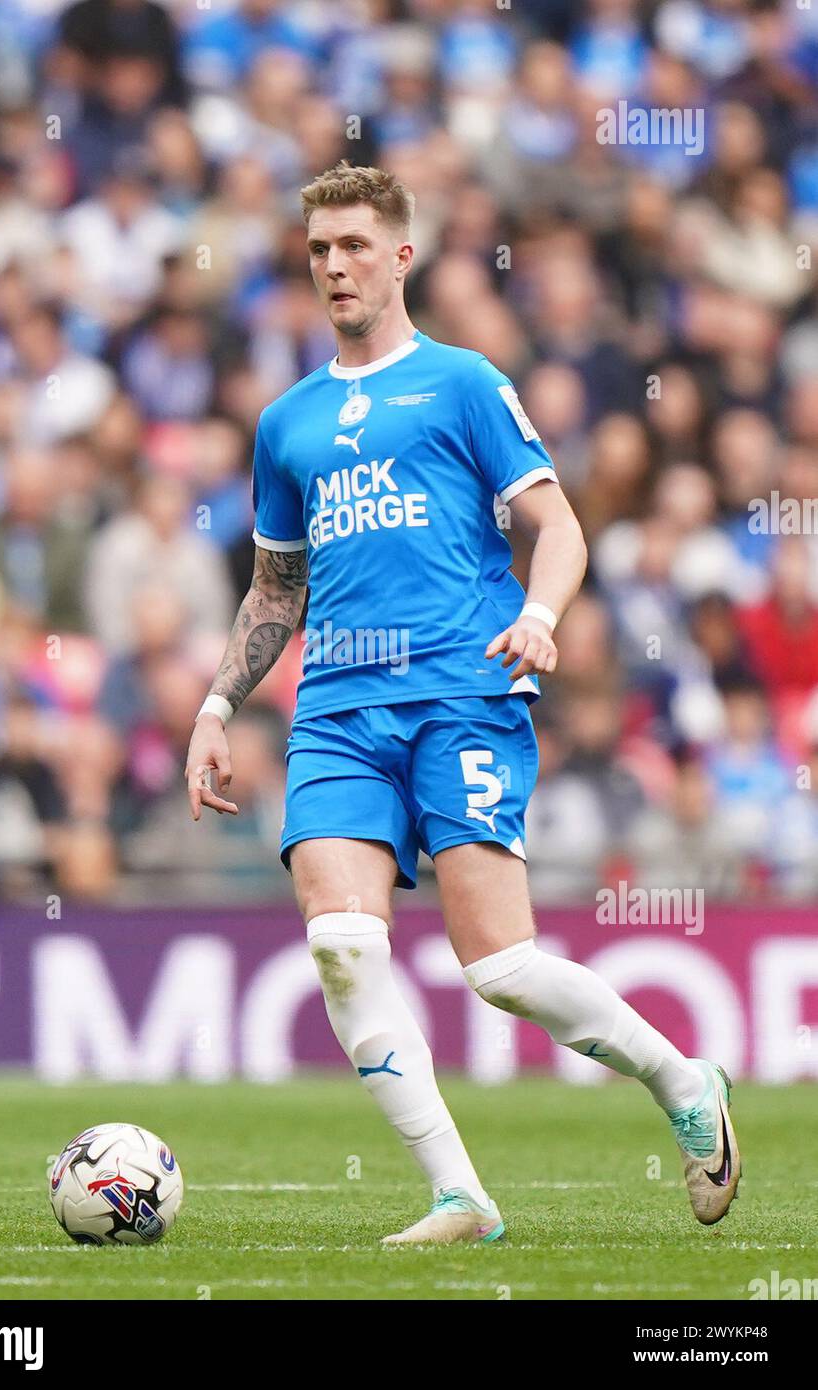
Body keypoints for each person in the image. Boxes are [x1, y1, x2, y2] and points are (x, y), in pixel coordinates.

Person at [184, 162, 740, 1244]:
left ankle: (682, 1080)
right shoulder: (284, 422)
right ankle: (459, 1195)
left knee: (496, 967)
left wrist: (539, 614)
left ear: (401, 255)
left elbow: (561, 526)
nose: (333, 265)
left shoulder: (463, 383)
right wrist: (214, 705)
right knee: (343, 944)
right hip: (337, 708)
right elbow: (273, 587)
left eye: (352, 245)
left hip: (459, 691)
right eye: (316, 250)